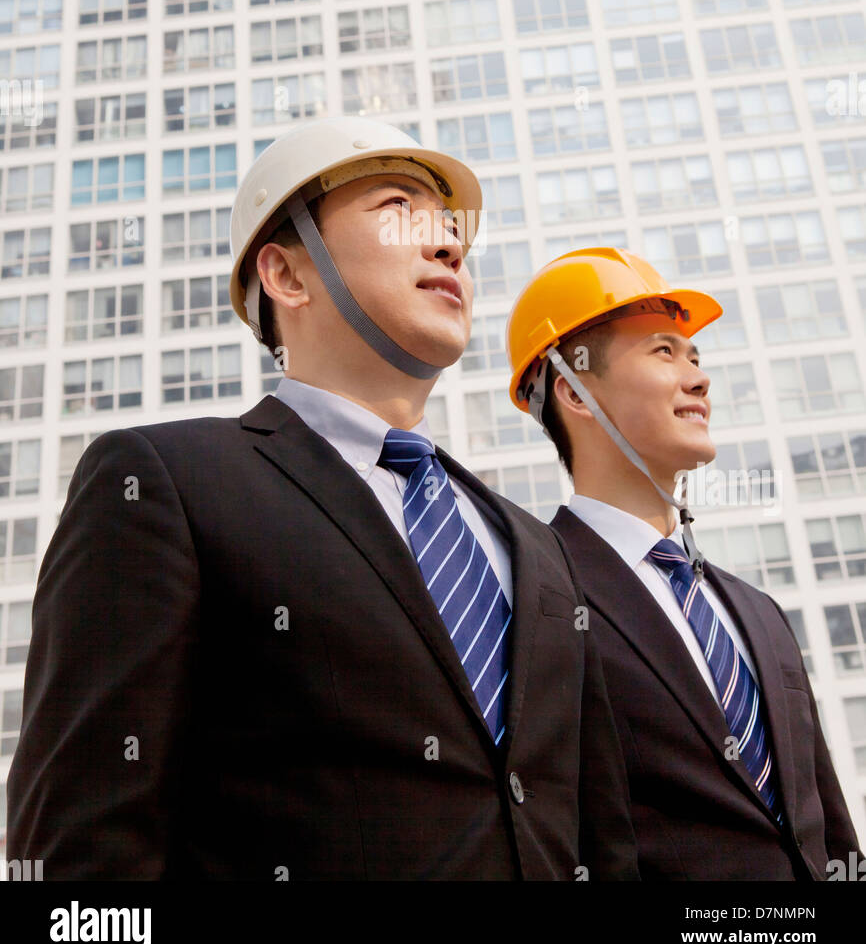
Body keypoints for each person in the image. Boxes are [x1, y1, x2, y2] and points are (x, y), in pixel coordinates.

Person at [7, 119, 638, 881]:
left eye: (448, 226)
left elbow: (602, 842)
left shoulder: (536, 551)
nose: (448, 246)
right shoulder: (162, 483)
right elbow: (82, 849)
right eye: (399, 210)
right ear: (288, 275)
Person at [506, 245, 864, 881]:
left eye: (694, 356)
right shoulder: (528, 595)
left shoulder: (758, 612)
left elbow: (828, 827)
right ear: (576, 392)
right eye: (664, 353)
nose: (698, 378)